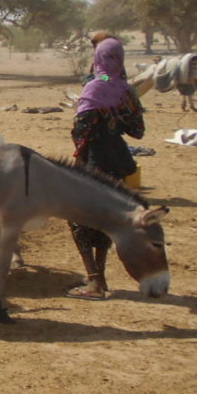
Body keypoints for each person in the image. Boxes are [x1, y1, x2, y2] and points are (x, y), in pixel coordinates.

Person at [67, 34, 144, 300]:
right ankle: (100, 276)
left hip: (94, 162)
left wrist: (79, 155)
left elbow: (81, 130)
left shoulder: (94, 88)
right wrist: (116, 119)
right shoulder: (127, 90)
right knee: (106, 221)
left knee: (78, 219)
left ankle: (94, 282)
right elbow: (138, 131)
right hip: (119, 162)